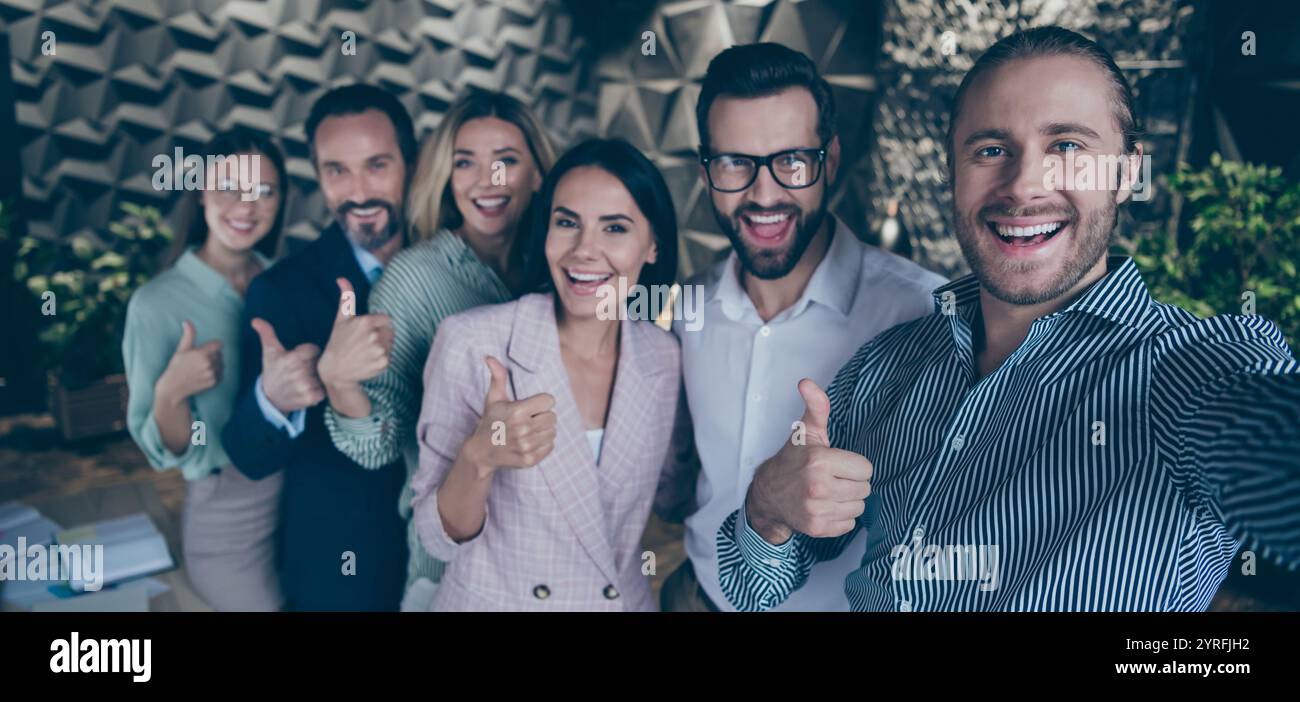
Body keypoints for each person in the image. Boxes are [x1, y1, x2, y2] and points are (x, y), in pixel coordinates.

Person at [719, 26, 1300, 611]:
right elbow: (750, 589)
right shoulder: (880, 367)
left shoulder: (1195, 366)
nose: (1024, 185)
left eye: (1067, 146)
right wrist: (767, 505)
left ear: (1128, 173)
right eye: (990, 149)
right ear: (952, 175)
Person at [657, 43, 946, 612]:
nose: (764, 195)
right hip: (696, 595)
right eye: (735, 163)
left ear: (830, 160)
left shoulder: (924, 313)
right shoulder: (687, 307)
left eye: (791, 160)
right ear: (705, 172)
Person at [409, 138, 686, 610]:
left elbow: (672, 497)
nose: (584, 251)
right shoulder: (472, 342)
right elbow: (436, 540)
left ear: (654, 244)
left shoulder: (664, 356)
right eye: (567, 223)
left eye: (614, 228)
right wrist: (480, 457)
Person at [322, 91, 556, 611]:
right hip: (450, 565)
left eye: (507, 161)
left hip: (556, 563)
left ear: (539, 173)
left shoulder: (566, 270)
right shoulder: (413, 278)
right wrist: (339, 383)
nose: (486, 179)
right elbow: (377, 445)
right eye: (465, 162)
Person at [222, 84, 417, 611]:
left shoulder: (458, 266)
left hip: (459, 559)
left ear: (411, 163)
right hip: (342, 571)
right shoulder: (281, 290)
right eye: (337, 170)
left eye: (376, 165)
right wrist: (275, 398)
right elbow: (245, 452)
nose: (358, 191)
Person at [123, 128, 288, 611]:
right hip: (229, 511)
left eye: (264, 191)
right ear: (200, 190)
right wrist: (171, 393)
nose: (246, 205)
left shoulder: (289, 280)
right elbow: (169, 450)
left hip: (304, 492)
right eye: (229, 187)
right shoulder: (155, 304)